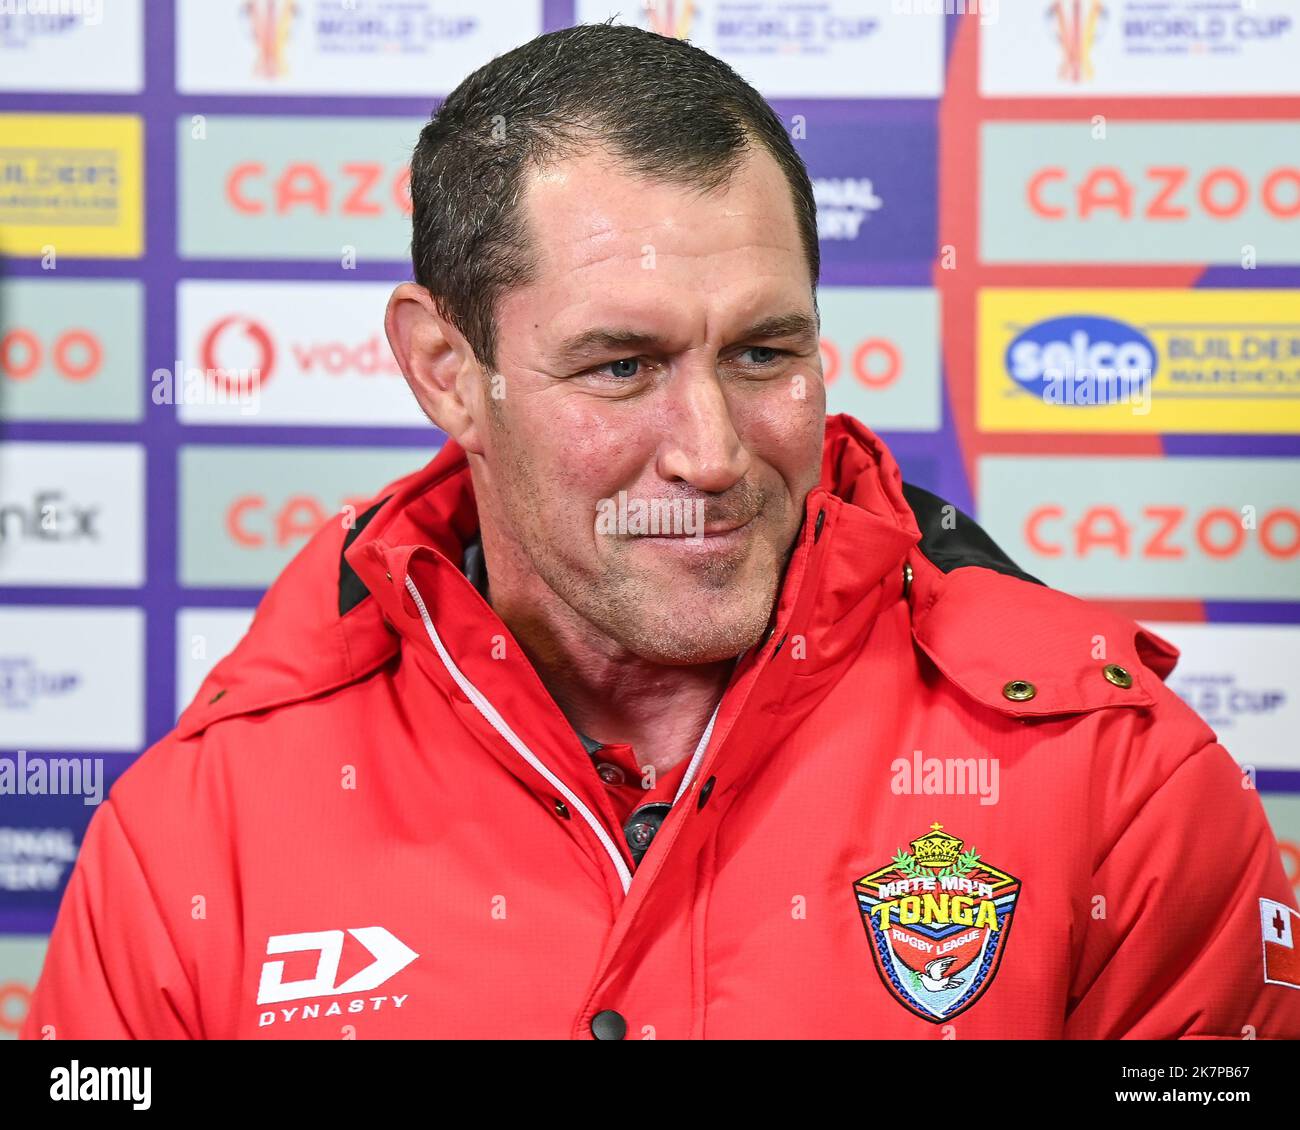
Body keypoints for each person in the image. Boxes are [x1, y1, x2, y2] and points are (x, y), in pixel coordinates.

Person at [23, 20, 1300, 1040]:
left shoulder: (1112, 782)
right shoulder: (201, 830)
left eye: (762, 350)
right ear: (448, 370)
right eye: (621, 365)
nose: (709, 452)